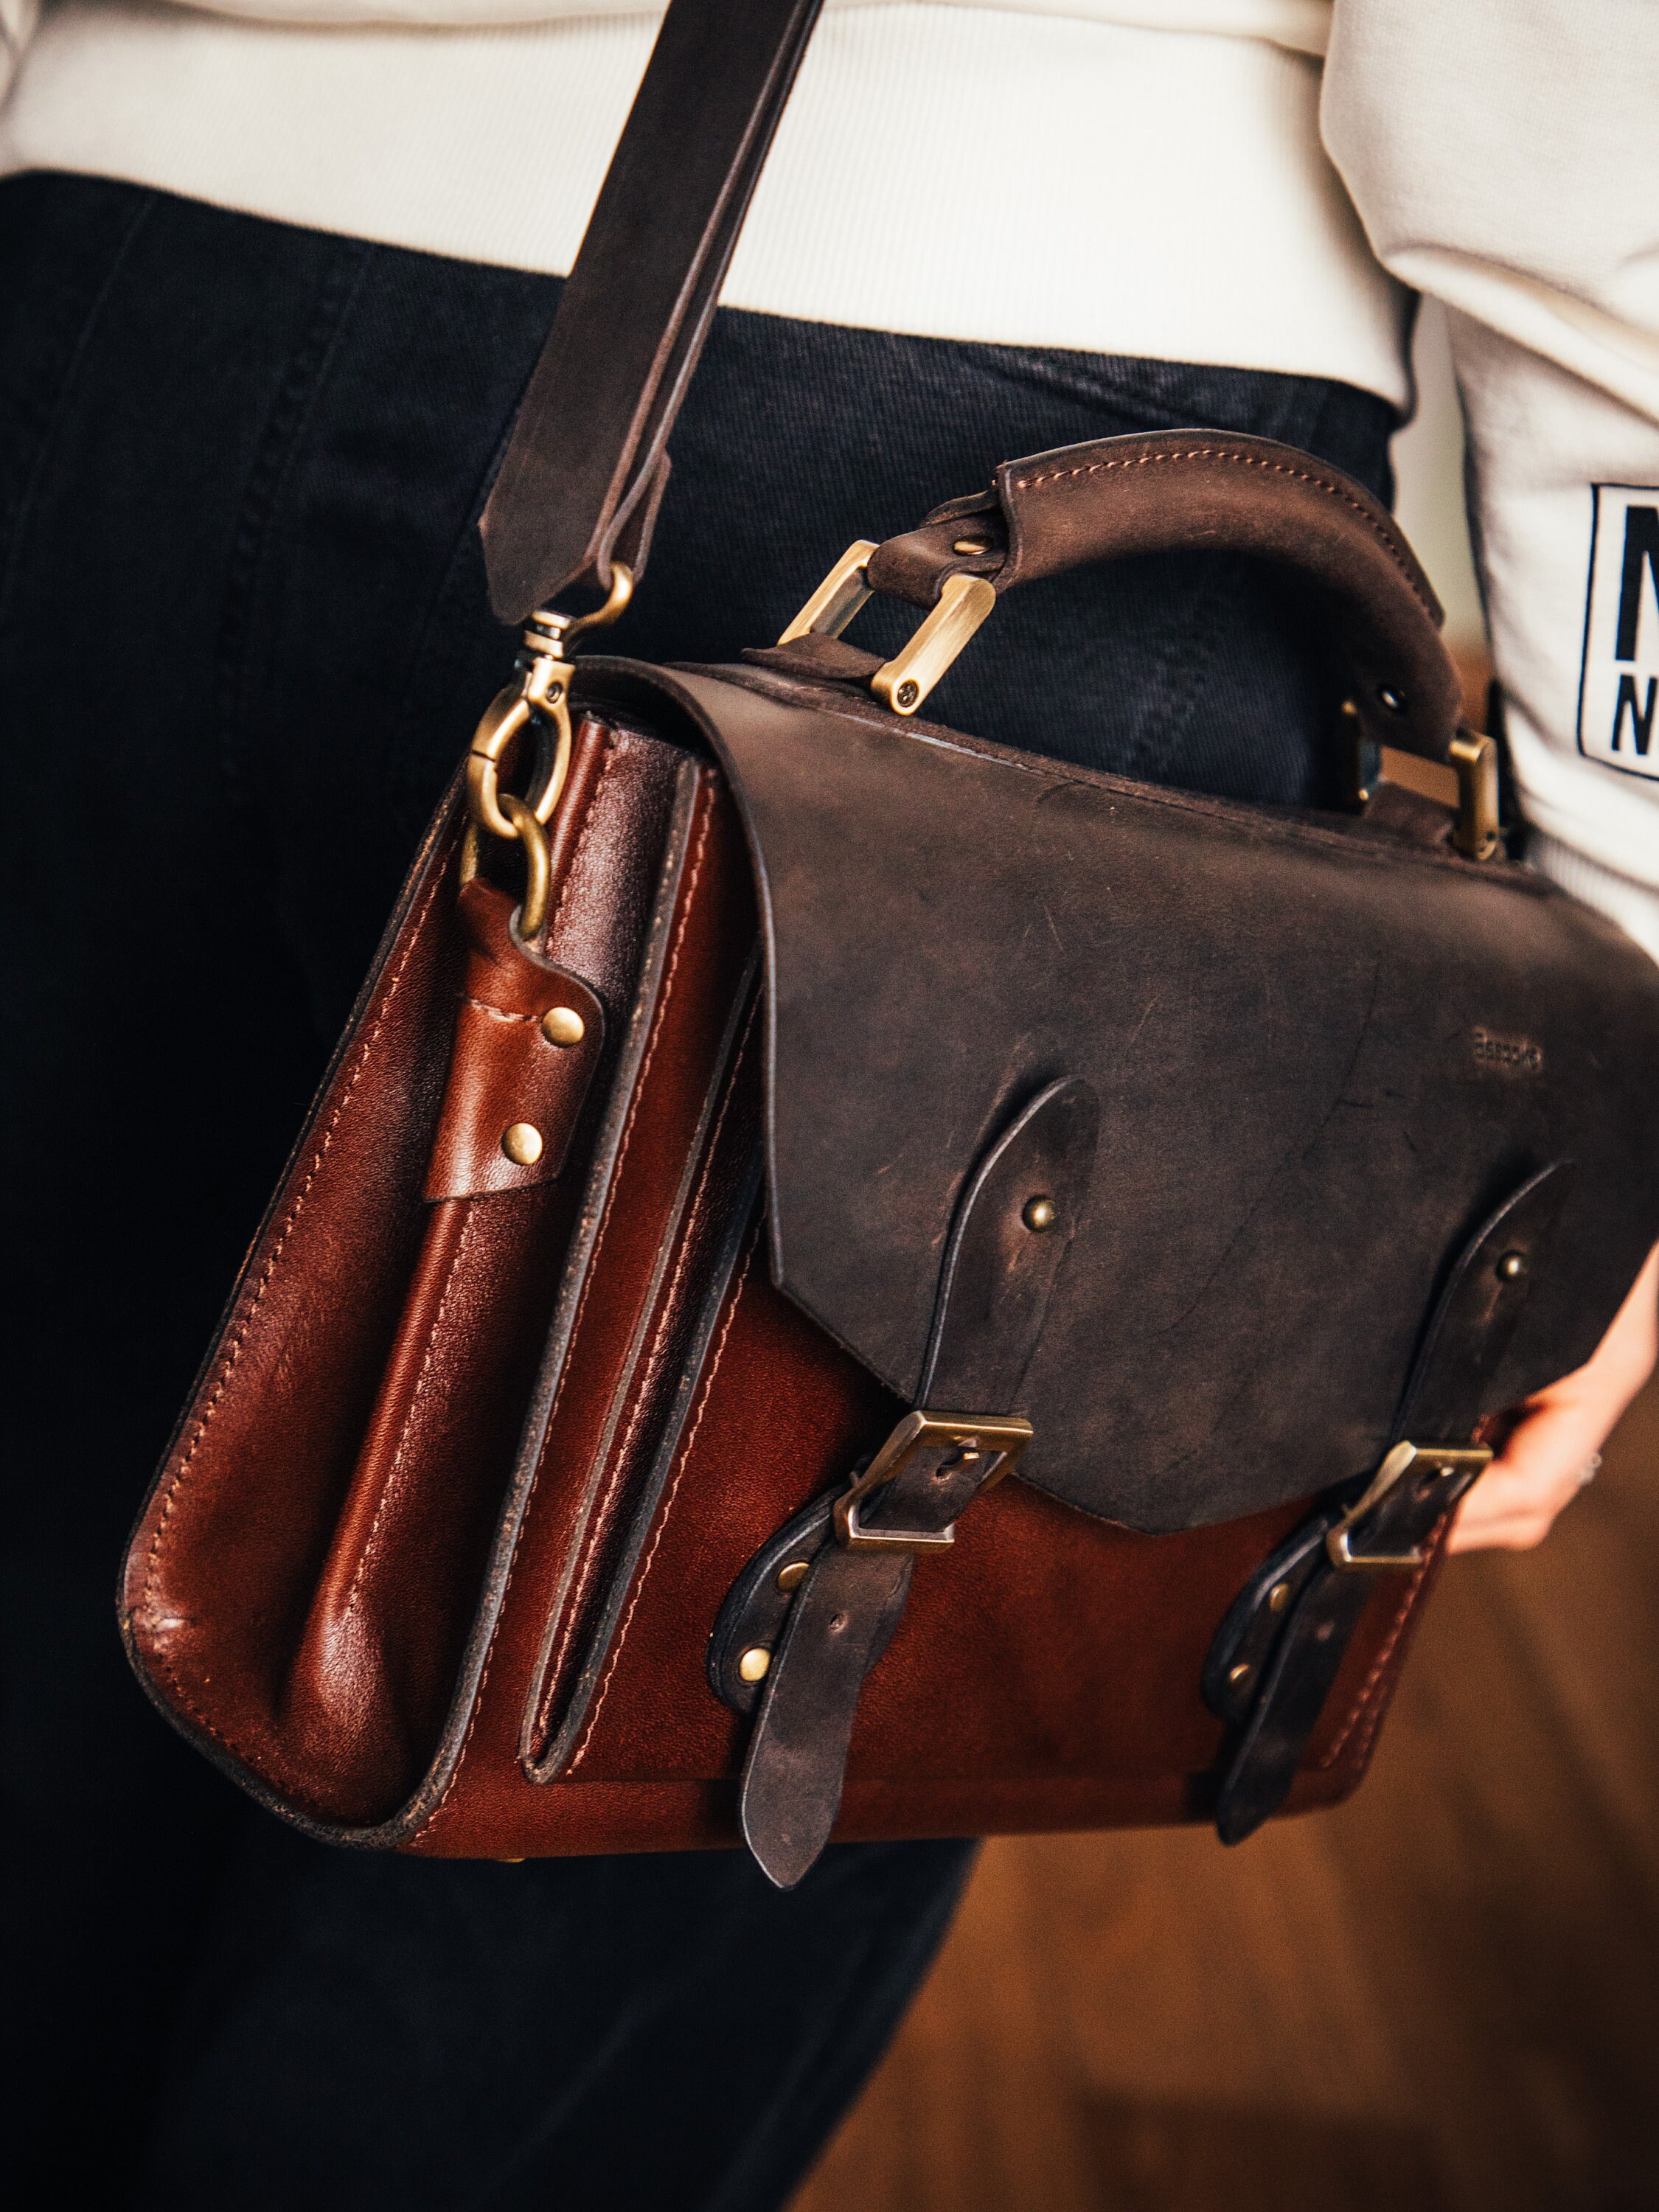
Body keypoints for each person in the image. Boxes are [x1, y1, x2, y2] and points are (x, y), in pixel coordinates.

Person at [1, 1, 1654, 2203]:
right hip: (971, 400)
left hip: (112, 324)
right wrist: (1624, 961)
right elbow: (1577, 137)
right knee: (585, 1931)